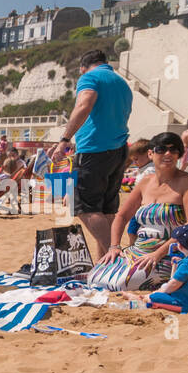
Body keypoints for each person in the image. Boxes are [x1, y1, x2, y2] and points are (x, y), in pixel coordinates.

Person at [89, 132, 188, 291]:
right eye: (162, 149)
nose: (168, 154)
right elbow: (122, 216)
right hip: (137, 251)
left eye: (174, 150)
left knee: (121, 283)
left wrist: (157, 254)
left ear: (179, 154)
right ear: (150, 153)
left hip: (170, 255)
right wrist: (114, 247)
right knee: (94, 277)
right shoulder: (145, 182)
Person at [49, 49, 133, 258]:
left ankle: (117, 254)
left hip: (94, 150)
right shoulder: (121, 83)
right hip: (119, 149)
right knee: (106, 210)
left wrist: (65, 139)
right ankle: (105, 263)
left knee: (83, 206)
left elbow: (85, 105)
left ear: (82, 68)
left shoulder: (90, 77)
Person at [145, 223, 188, 313]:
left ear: (180, 246)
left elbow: (173, 284)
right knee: (163, 288)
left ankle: (147, 300)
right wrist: (176, 265)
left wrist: (158, 292)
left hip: (186, 303)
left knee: (154, 297)